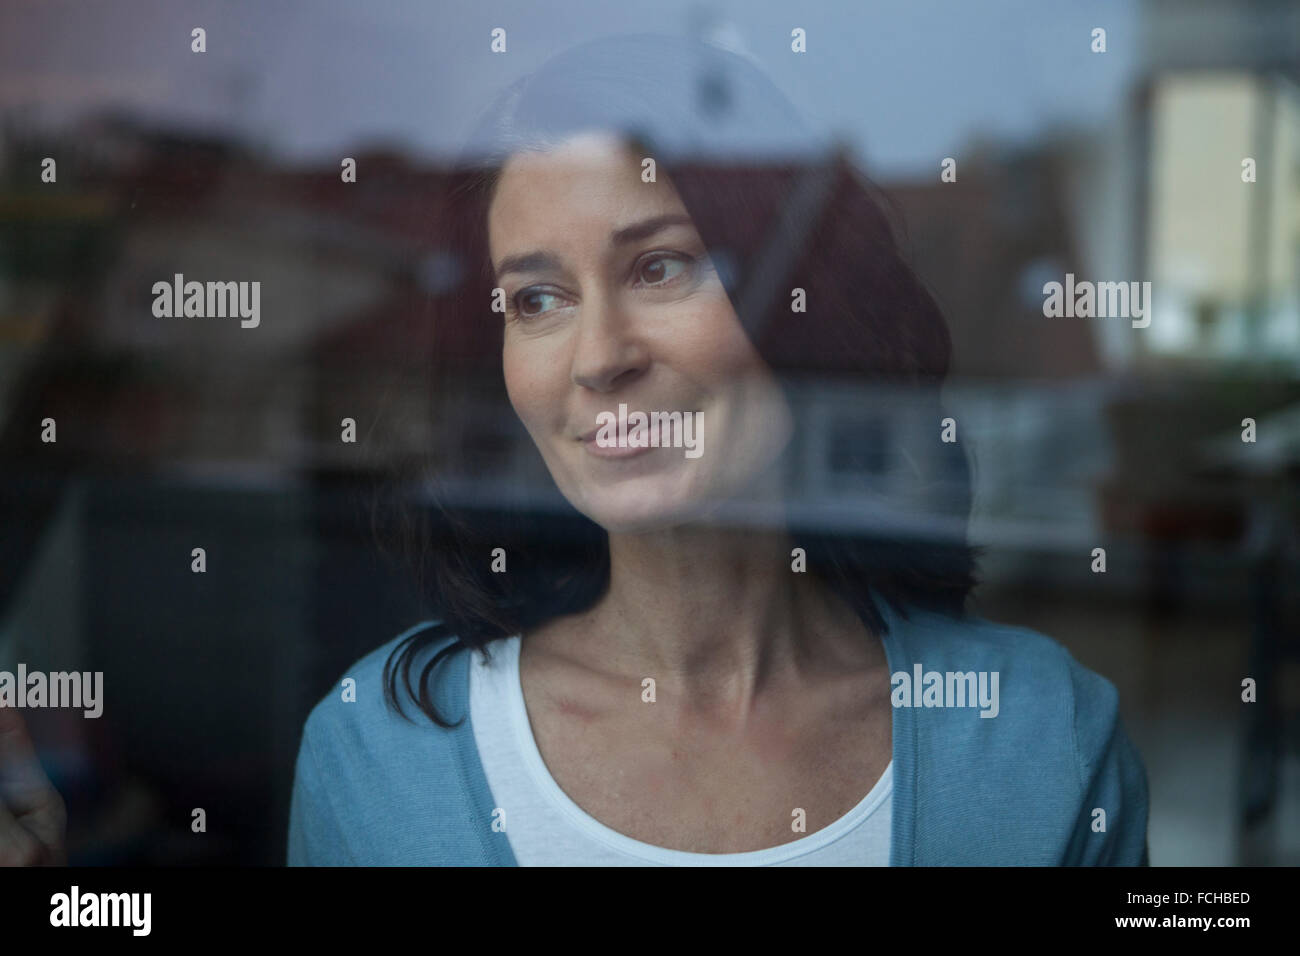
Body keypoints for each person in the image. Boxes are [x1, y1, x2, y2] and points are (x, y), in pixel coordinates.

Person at [287, 32, 1149, 866]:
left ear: (807, 305)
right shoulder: (379, 756)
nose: (599, 358)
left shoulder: (1044, 739)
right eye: (538, 300)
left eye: (660, 268)